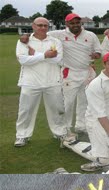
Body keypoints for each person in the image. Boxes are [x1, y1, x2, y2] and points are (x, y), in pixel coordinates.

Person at [45, 13, 102, 137]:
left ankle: (81, 126)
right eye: (72, 23)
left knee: (85, 101)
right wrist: (27, 38)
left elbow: (98, 51)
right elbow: (42, 35)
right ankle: (64, 129)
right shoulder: (58, 34)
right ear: (67, 24)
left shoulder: (90, 35)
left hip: (87, 72)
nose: (75, 25)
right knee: (67, 103)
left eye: (77, 22)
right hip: (69, 73)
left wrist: (96, 55)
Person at [14, 17, 67, 148]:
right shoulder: (24, 41)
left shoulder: (55, 41)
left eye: (45, 25)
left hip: (53, 80)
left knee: (57, 109)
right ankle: (22, 135)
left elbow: (58, 60)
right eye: (40, 25)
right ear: (33, 26)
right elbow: (23, 60)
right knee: (25, 110)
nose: (43, 28)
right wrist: (45, 55)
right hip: (30, 82)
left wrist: (35, 54)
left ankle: (60, 132)